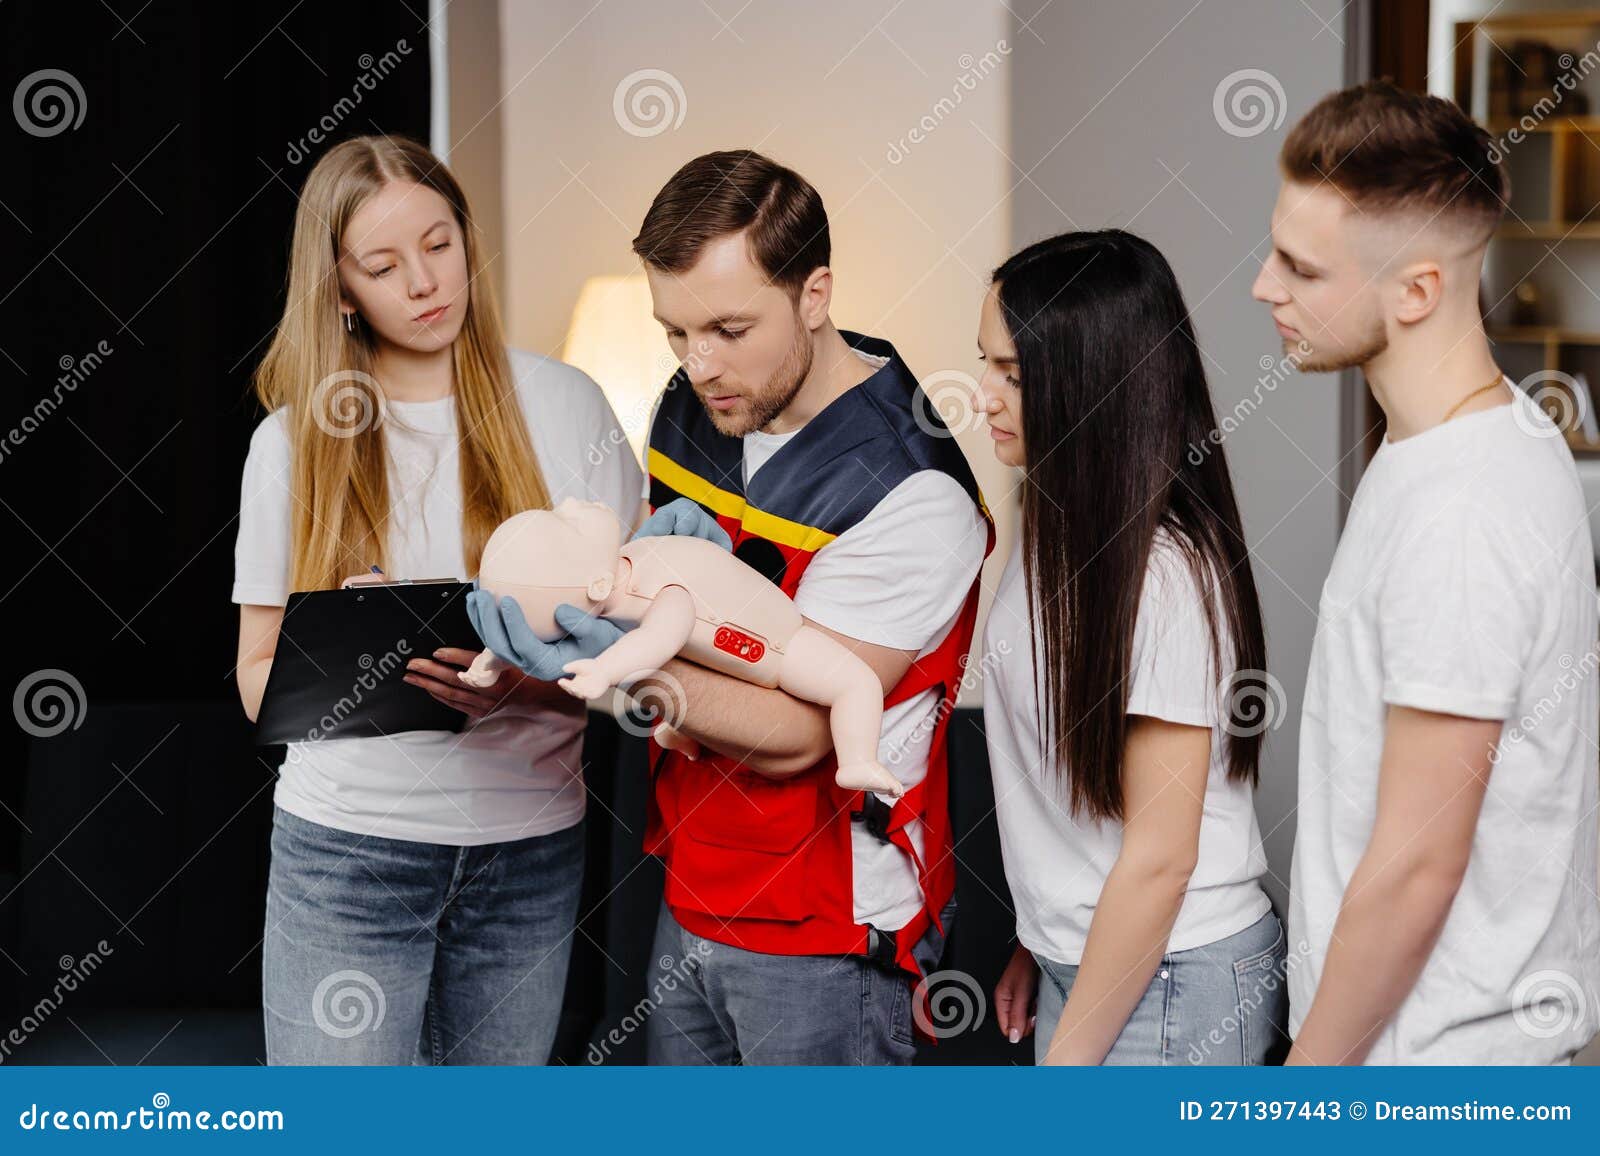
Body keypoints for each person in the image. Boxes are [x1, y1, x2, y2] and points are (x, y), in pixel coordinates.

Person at [471, 149, 990, 1064]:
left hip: (827, 933)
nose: (699, 365)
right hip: (694, 890)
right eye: (675, 333)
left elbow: (801, 732)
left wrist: (624, 674)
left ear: (816, 293)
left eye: (728, 328)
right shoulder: (694, 406)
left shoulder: (910, 489)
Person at [233, 135, 640, 1064]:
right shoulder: (292, 444)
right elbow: (259, 678)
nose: (424, 282)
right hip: (347, 857)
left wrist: (525, 688)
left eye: (440, 244)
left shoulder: (567, 404)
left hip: (530, 853)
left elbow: (631, 637)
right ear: (339, 289)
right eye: (383, 265)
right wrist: (352, 667)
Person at [1252, 81, 1600, 1064]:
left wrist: (1304, 1090)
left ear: (1416, 290)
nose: (1263, 287)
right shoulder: (1456, 447)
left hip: (1442, 1072)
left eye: (1299, 267)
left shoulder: (1462, 507)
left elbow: (1416, 862)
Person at [980, 229, 1287, 1065]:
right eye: (988, 366)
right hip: (1096, 958)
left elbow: (1159, 859)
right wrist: (1041, 938)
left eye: (1014, 375)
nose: (986, 397)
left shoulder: (1165, 576)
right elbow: (1069, 778)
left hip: (1177, 975)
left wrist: (1068, 1059)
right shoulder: (1049, 521)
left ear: (1089, 382)